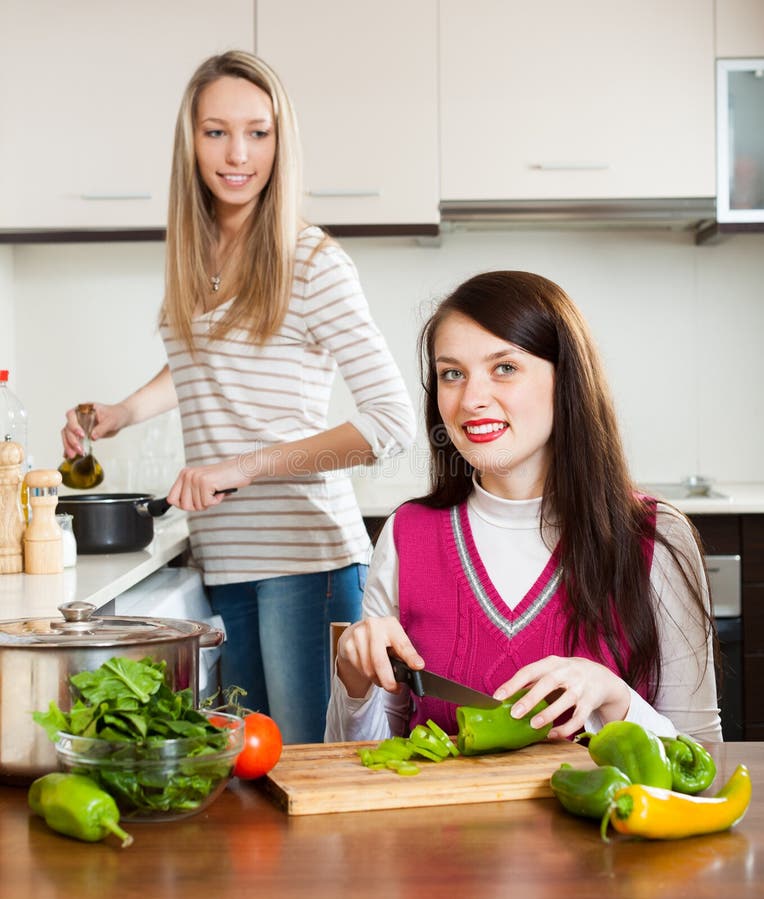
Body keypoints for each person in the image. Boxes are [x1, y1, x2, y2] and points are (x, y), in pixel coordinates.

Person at [61, 51, 416, 744]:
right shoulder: (197, 261)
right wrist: (122, 413)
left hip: (304, 558)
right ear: (189, 143)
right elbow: (202, 362)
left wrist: (242, 467)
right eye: (216, 132)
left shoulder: (311, 262)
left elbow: (391, 422)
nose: (238, 154)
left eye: (259, 132)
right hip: (226, 556)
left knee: (307, 773)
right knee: (252, 781)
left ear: (282, 144)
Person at [325, 270, 722, 745]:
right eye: (452, 374)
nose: (471, 399)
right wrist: (352, 683)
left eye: (505, 368)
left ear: (565, 379)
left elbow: (704, 758)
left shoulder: (656, 537)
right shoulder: (406, 534)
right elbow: (363, 760)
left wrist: (616, 699)